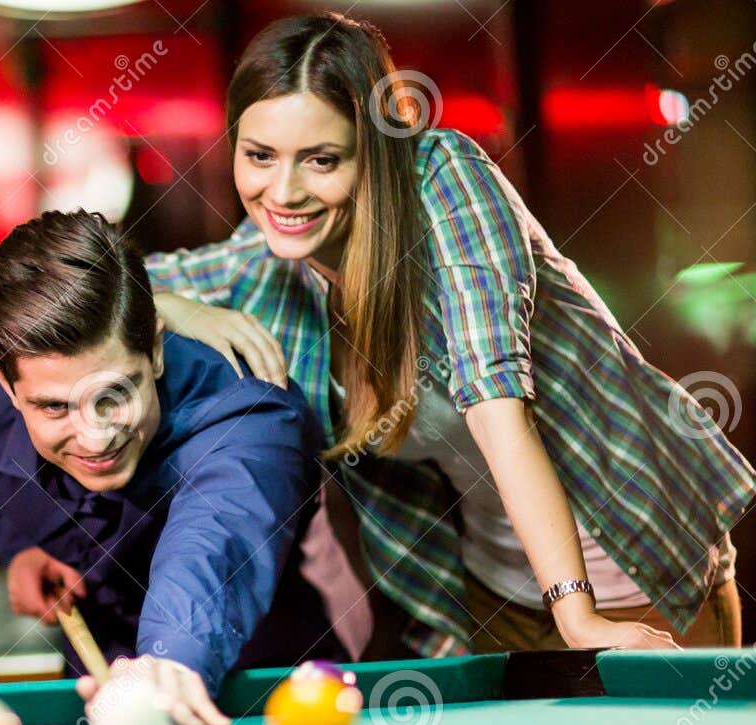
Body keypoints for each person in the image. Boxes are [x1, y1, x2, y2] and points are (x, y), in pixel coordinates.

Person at [145, 12, 755, 656]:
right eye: (260, 156)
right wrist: (187, 311)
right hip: (489, 593)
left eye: (322, 160)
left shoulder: (446, 179)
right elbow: (96, 280)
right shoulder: (259, 264)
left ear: (375, 152)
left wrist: (579, 618)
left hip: (633, 561)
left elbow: (497, 408)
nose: (284, 191)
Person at [0, 208, 342, 725]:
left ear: (153, 348)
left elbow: (212, 548)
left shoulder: (246, 418)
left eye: (115, 393)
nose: (96, 436)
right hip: (92, 698)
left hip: (265, 707)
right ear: (6, 384)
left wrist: (168, 662)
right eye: (55, 407)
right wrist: (16, 544)